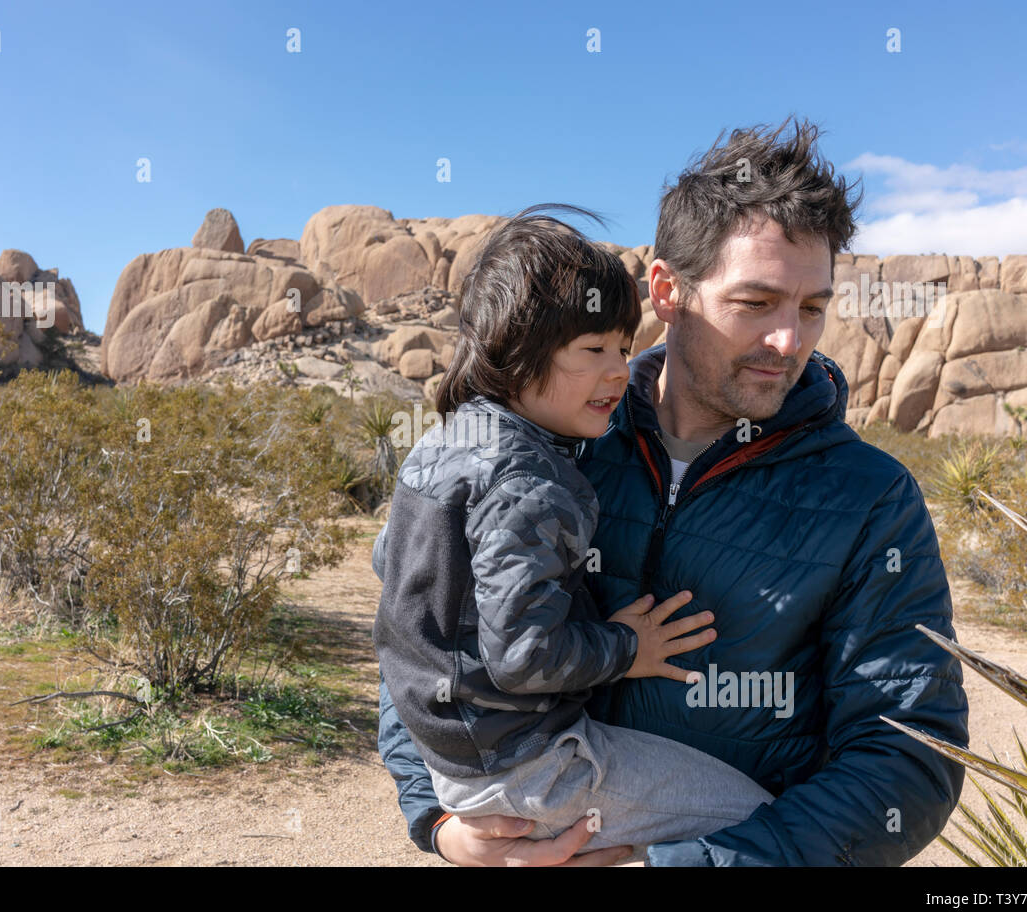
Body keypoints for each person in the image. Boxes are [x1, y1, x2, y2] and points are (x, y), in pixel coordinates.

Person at [375, 117, 970, 867]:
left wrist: (680, 865)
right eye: (756, 302)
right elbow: (418, 629)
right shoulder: (544, 445)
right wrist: (441, 822)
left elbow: (909, 755)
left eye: (811, 307)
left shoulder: (871, 501)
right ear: (667, 291)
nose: (790, 340)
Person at [371, 204, 774, 860]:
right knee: (753, 816)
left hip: (455, 761)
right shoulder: (529, 476)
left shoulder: (442, 444)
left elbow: (395, 582)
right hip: (531, 768)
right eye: (593, 350)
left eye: (623, 346)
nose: (619, 370)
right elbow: (524, 655)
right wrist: (626, 647)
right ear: (515, 350)